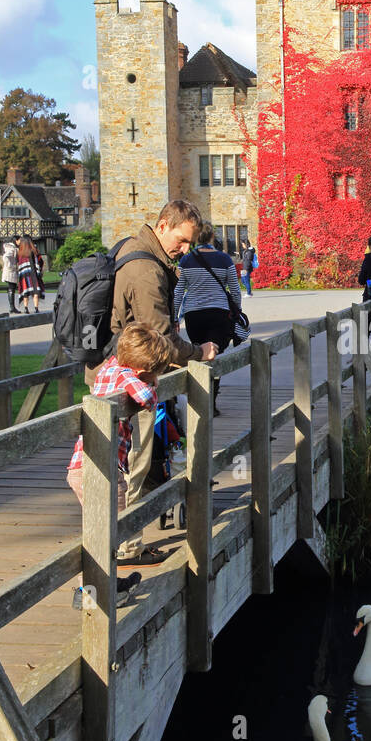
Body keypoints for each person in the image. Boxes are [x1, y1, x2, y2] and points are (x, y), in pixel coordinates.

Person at [100, 199, 219, 565]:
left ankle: (123, 539)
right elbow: (160, 337)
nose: (185, 251)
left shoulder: (137, 250)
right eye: (182, 241)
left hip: (119, 375)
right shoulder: (145, 270)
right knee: (131, 464)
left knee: (126, 464)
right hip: (130, 381)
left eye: (189, 245)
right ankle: (127, 547)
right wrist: (200, 352)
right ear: (164, 224)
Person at [68, 324, 172, 598]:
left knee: (99, 531)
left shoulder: (110, 367)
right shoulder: (128, 376)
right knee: (108, 531)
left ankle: (99, 586)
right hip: (101, 471)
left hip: (83, 467)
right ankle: (92, 591)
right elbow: (147, 399)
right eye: (156, 373)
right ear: (143, 372)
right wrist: (153, 385)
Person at [175, 222, 249, 415]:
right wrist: (237, 311)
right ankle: (210, 403)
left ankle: (202, 401)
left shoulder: (185, 261)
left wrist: (175, 317)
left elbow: (178, 291)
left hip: (194, 316)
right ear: (211, 238)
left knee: (200, 355)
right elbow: (234, 288)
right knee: (213, 355)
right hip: (218, 314)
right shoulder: (224, 259)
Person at [17, 236, 44, 313]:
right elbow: (40, 261)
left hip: (24, 274)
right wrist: (40, 270)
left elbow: (18, 263)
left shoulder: (20, 252)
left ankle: (26, 308)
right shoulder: (34, 250)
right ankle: (36, 308)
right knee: (35, 290)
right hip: (33, 273)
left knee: (25, 291)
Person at [1, 239, 19, 313]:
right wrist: (11, 266)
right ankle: (12, 307)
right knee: (11, 288)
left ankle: (12, 307)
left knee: (12, 288)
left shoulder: (11, 248)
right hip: (10, 272)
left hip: (10, 271)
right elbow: (6, 257)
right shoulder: (11, 249)